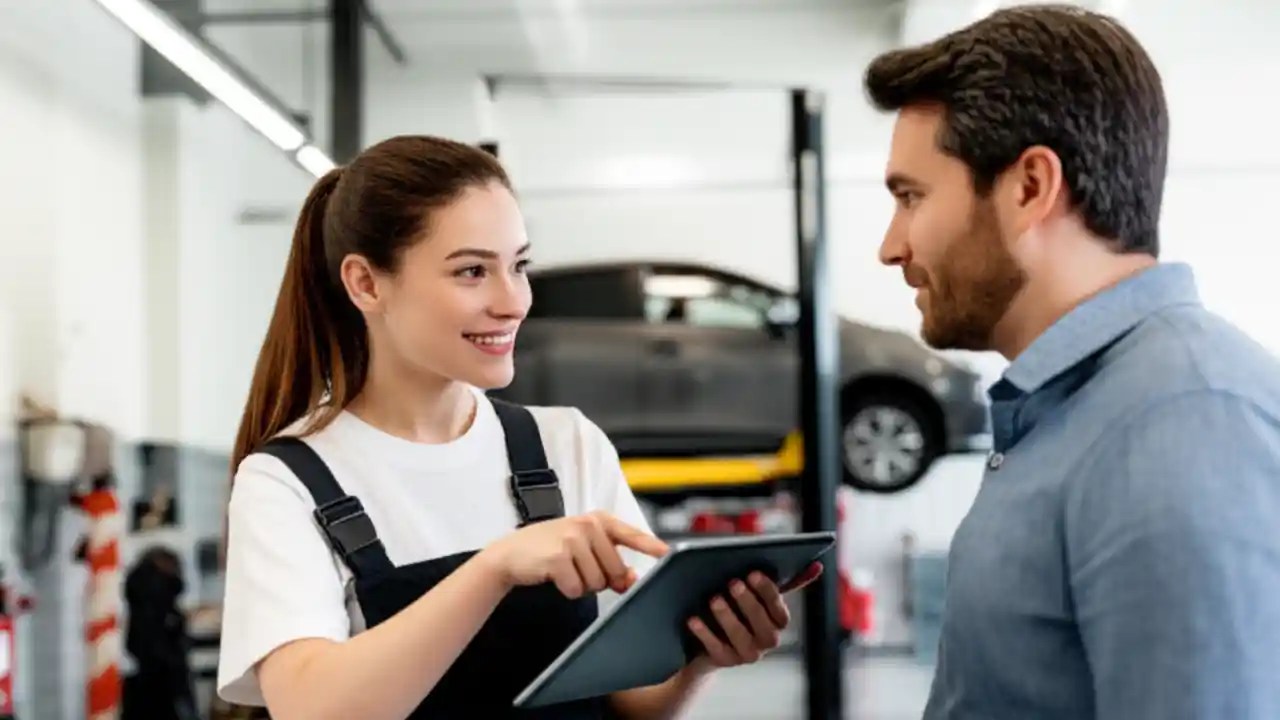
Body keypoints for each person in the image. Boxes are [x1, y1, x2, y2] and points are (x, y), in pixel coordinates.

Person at [214, 135, 822, 719]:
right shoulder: (285, 481)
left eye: (519, 266)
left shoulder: (567, 445)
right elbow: (311, 707)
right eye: (472, 272)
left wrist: (699, 657)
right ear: (366, 283)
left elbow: (631, 698)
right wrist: (493, 569)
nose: (514, 302)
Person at [863, 5, 1280, 720]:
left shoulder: (1181, 424)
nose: (891, 245)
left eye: (911, 197)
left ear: (1029, 188)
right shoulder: (1077, 413)